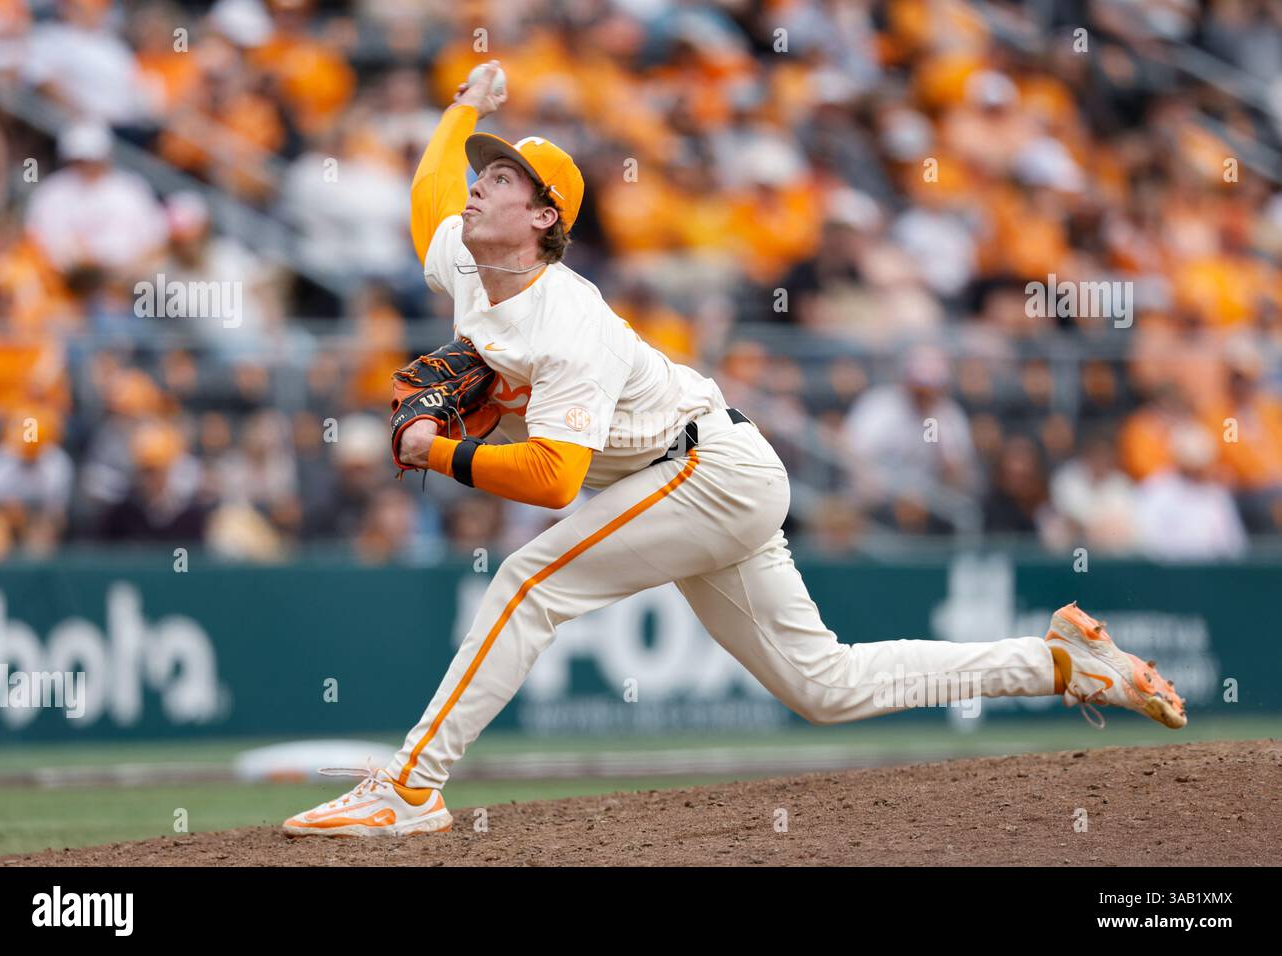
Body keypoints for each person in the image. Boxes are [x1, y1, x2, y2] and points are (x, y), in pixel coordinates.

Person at [283, 62, 1186, 838]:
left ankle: (410, 787)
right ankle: (1060, 660)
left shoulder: (567, 322)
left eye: (503, 179)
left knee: (527, 581)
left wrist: (433, 450)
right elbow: (429, 193)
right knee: (823, 686)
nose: (480, 185)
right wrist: (463, 109)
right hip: (693, 473)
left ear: (545, 218)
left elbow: (555, 482)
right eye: (486, 175)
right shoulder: (467, 255)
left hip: (704, 471)